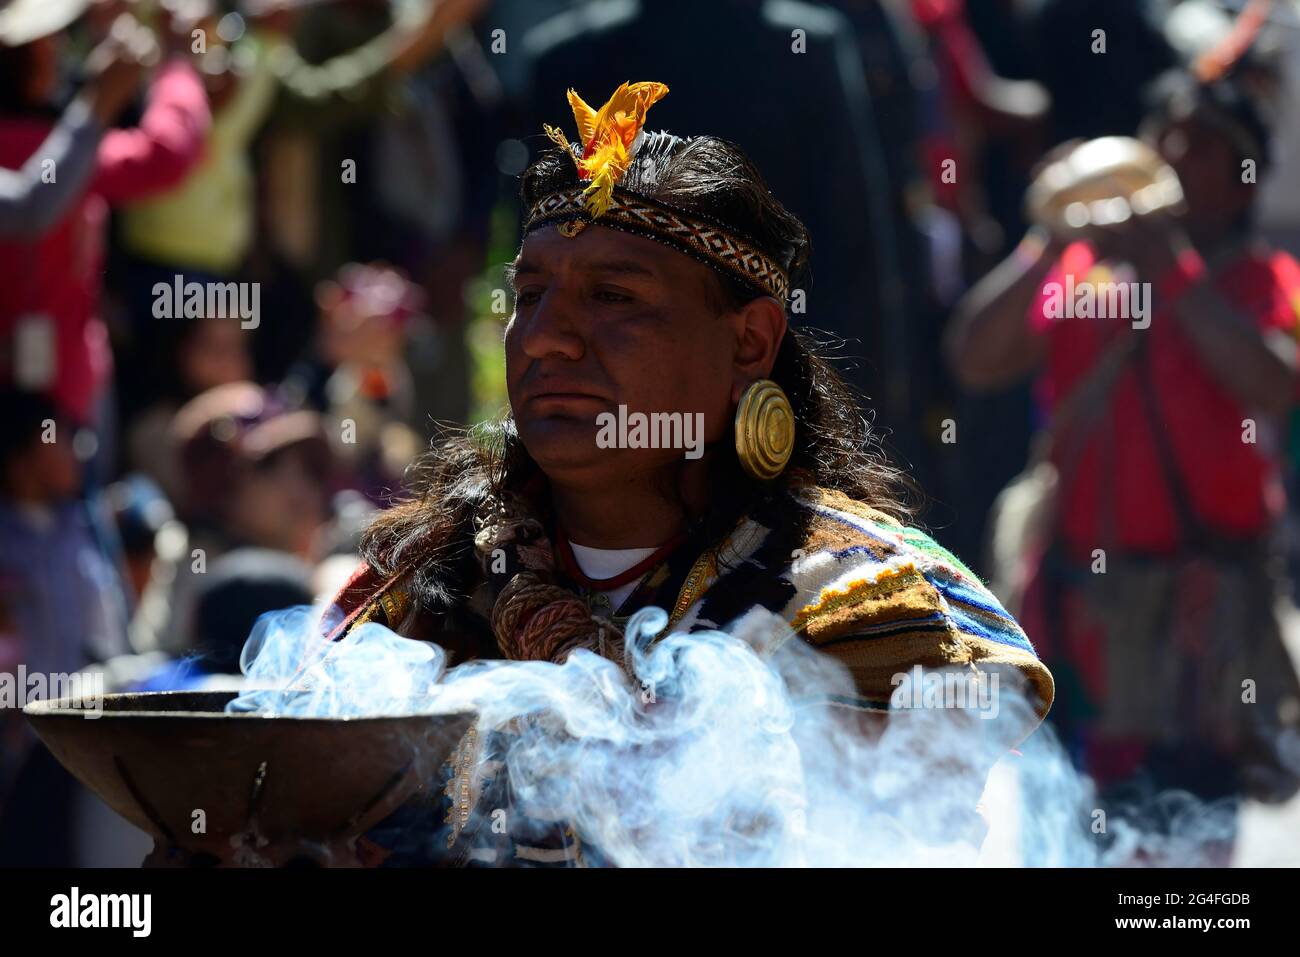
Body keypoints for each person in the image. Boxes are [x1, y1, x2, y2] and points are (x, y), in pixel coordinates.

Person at [321, 82, 1054, 866]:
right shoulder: (426, 588)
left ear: (749, 344)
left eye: (612, 296)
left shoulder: (868, 599)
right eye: (529, 294)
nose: (544, 339)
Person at [947, 67, 1300, 858]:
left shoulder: (1263, 282)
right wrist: (1050, 240)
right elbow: (974, 357)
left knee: (1183, 855)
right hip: (1081, 619)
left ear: (1246, 179)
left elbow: (1271, 383)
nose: (1176, 158)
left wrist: (1170, 267)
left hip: (1194, 640)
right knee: (1068, 832)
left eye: (1205, 147)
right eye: (1167, 140)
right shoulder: (1089, 275)